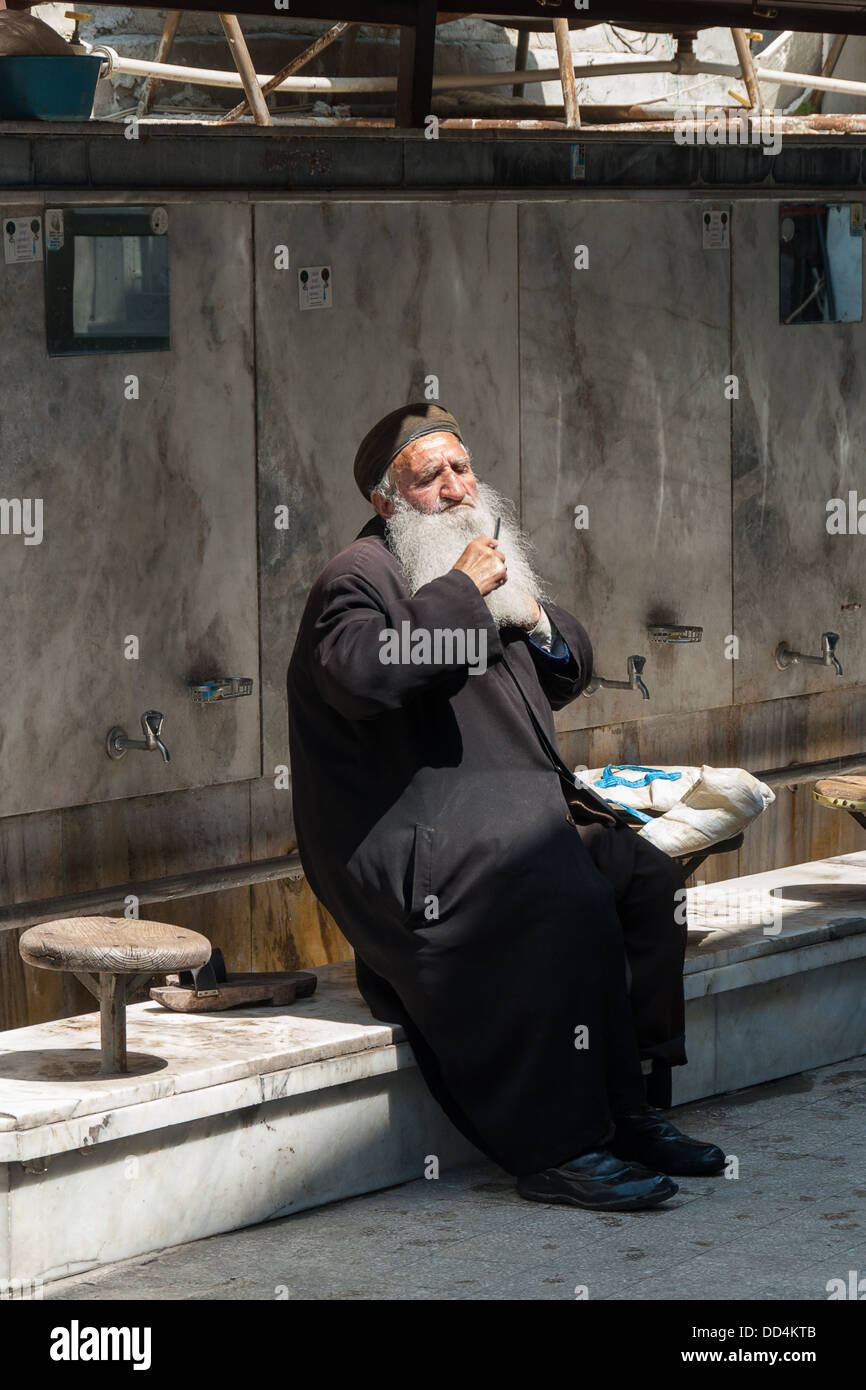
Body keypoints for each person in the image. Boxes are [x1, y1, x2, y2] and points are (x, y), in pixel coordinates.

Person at [287, 403, 725, 1211]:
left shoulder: (475, 564)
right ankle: (557, 1149)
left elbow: (564, 669)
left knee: (643, 879)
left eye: (462, 468)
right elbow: (359, 674)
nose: (456, 488)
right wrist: (463, 594)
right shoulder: (361, 577)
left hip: (511, 819)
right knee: (557, 898)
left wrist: (538, 624)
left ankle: (632, 1106)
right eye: (430, 477)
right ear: (388, 502)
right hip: (421, 845)